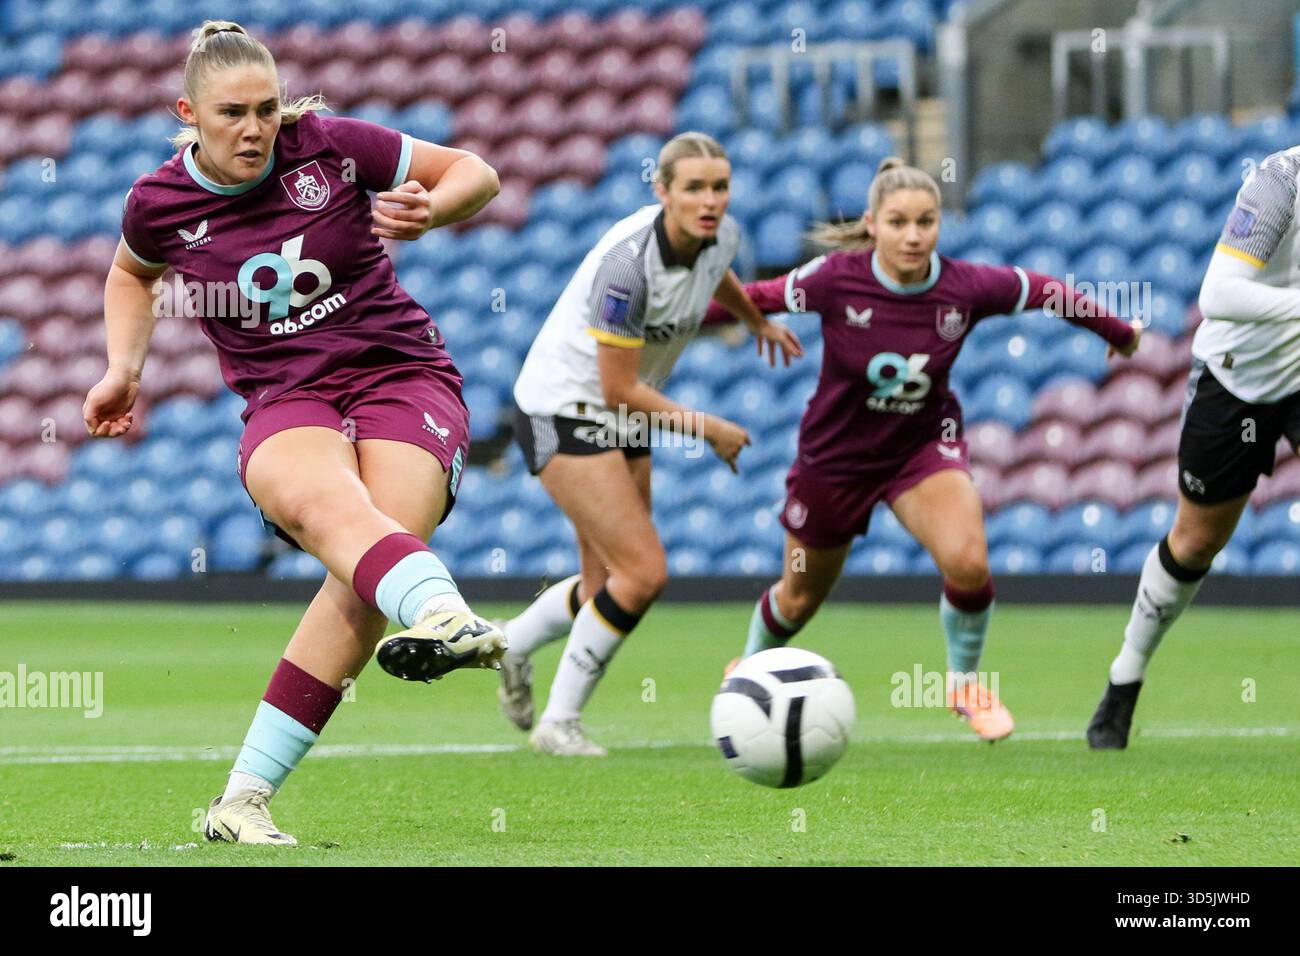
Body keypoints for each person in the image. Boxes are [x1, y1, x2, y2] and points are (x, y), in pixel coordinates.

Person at [83, 21, 505, 844]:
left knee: (369, 566)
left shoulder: (333, 147)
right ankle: (450, 613)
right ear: (189, 113)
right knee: (335, 517)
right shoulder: (160, 202)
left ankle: (240, 802)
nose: (253, 130)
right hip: (285, 395)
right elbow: (132, 273)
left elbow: (476, 173)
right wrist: (122, 369)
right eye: (232, 113)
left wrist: (434, 210)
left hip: (401, 373)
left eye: (267, 110)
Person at [707, 157, 1142, 741]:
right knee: (798, 598)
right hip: (833, 460)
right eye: (899, 222)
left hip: (921, 450)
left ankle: (963, 684)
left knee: (968, 564)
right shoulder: (835, 279)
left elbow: (1045, 290)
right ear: (872, 224)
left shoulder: (963, 287)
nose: (913, 235)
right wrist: (653, 324)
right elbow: (752, 297)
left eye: (926, 222)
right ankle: (750, 664)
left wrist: (1116, 331)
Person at [499, 132, 803, 756]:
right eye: (693, 187)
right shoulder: (628, 269)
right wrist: (708, 426)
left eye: (719, 186)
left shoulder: (722, 234)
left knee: (603, 583)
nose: (710, 199)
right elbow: (619, 391)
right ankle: (560, 723)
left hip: (620, 413)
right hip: (564, 409)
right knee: (643, 573)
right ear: (662, 191)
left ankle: (510, 647)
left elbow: (718, 274)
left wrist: (755, 321)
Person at [1087, 147, 1300, 749]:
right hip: (1237, 377)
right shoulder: (1280, 182)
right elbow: (1219, 295)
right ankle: (1124, 677)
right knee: (1196, 540)